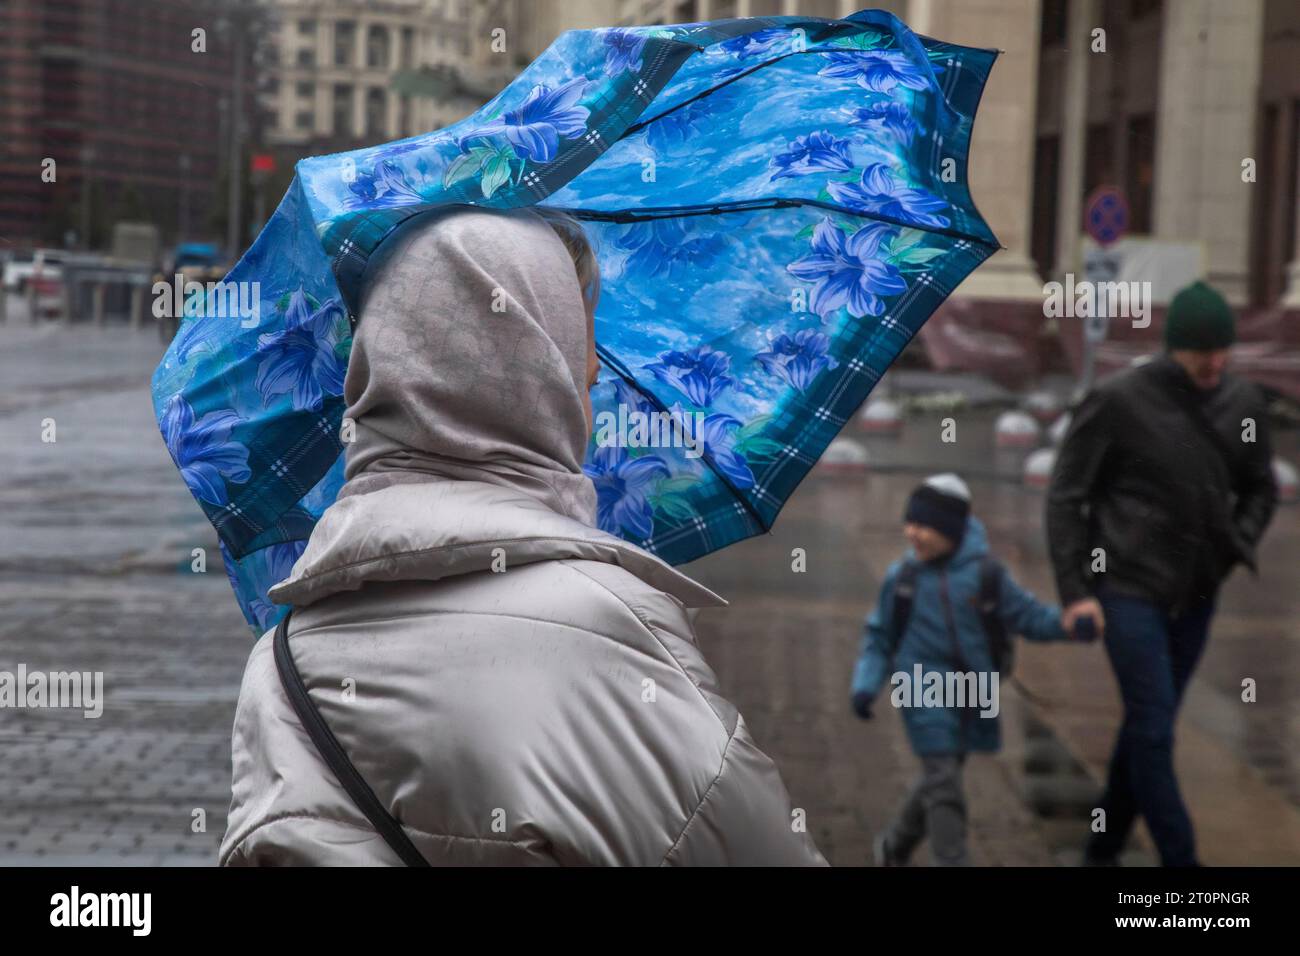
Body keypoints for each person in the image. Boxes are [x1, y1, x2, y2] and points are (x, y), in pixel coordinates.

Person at [218, 205, 826, 866]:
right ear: (533, 367)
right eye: (574, 341)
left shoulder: (280, 660)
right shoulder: (607, 629)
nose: (591, 372)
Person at [1046, 280, 1277, 867]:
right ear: (1176, 347)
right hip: (1126, 589)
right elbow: (1067, 495)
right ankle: (1183, 868)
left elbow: (1261, 487)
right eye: (1204, 353)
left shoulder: (1244, 402)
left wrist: (1236, 545)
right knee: (1153, 727)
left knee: (1148, 728)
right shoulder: (1120, 400)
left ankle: (1101, 852)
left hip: (1197, 593)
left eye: (1224, 352)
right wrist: (1076, 591)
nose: (1215, 364)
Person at [850, 473, 1078, 866]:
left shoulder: (987, 575)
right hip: (920, 687)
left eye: (924, 525)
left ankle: (894, 846)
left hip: (973, 690)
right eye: (910, 523)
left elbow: (1028, 616)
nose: (913, 533)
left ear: (952, 530)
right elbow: (880, 637)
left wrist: (1069, 624)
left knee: (942, 777)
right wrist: (866, 684)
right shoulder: (902, 578)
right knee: (943, 780)